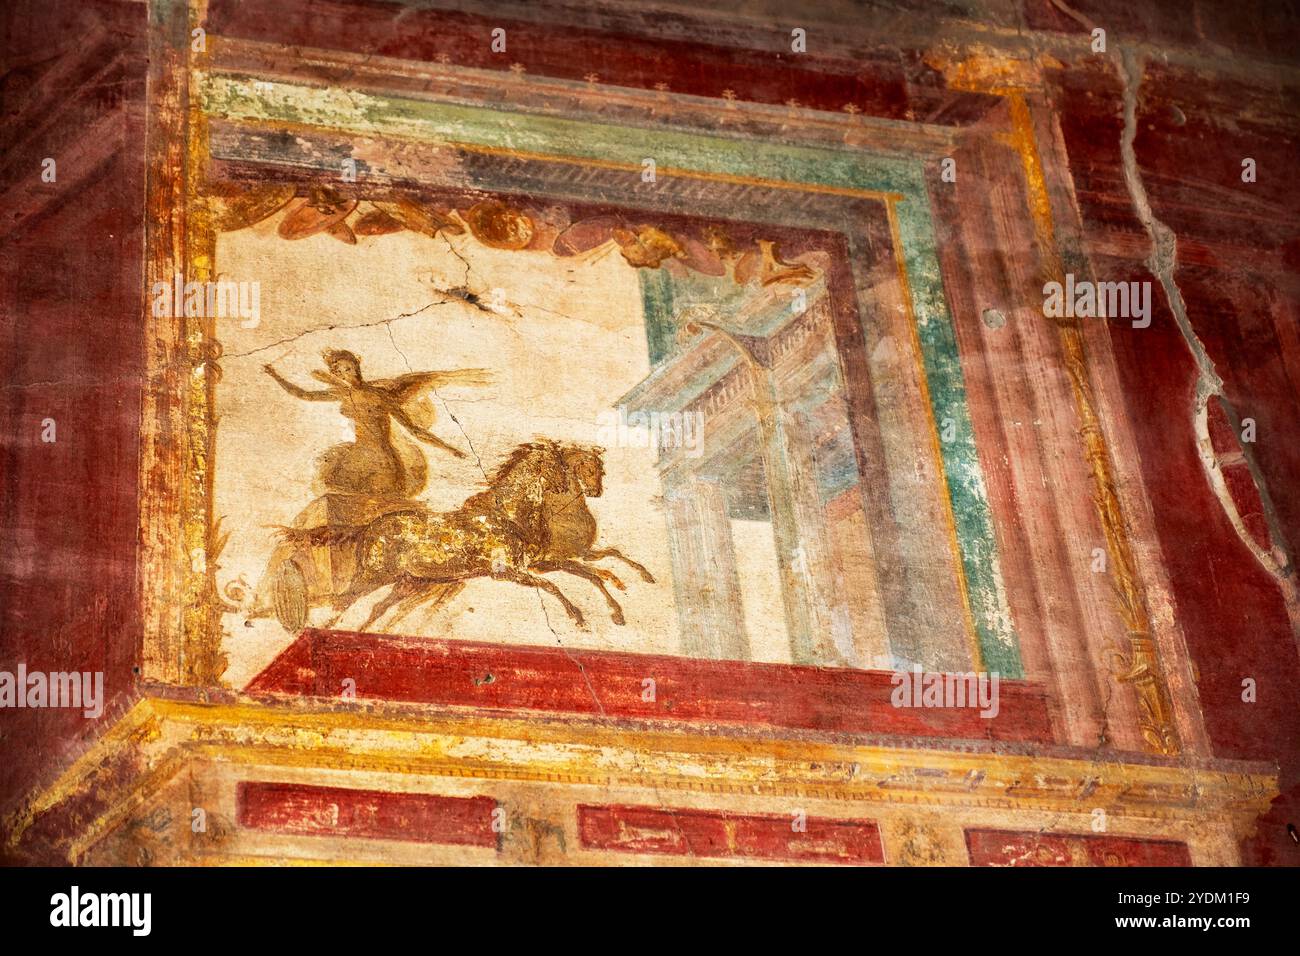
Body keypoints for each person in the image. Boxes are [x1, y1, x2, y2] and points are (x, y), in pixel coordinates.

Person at [263, 349, 491, 498]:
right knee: (332, 489)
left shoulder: (381, 396)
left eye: (348, 367)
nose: (346, 373)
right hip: (358, 457)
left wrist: (449, 449)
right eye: (339, 371)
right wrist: (275, 375)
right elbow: (304, 395)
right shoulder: (343, 395)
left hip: (383, 459)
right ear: (337, 374)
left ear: (356, 367)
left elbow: (413, 430)